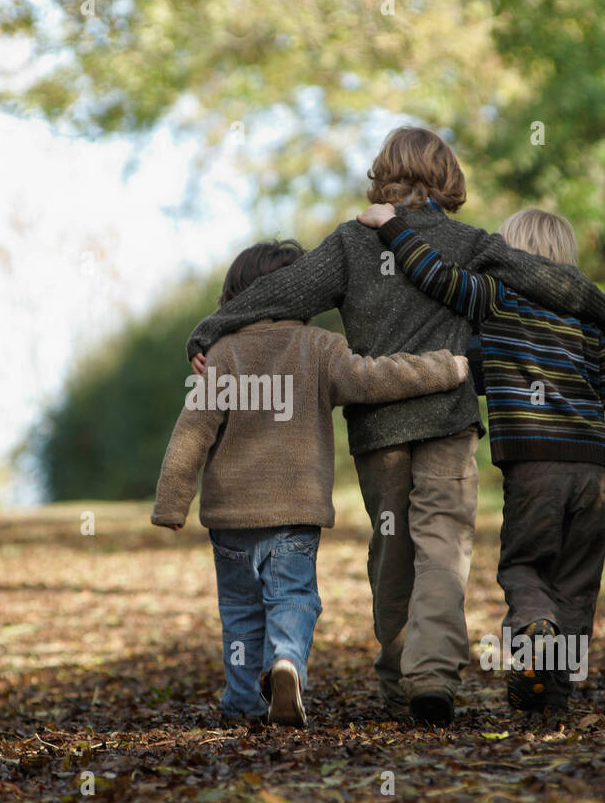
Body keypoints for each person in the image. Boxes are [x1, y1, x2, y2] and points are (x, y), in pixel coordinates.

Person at [185, 127, 605, 725]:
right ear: (446, 177)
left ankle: (398, 685)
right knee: (444, 551)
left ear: (383, 174)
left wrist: (209, 330)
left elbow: (280, 292)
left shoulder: (349, 245)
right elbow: (552, 281)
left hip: (379, 433)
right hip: (447, 424)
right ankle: (432, 677)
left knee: (393, 556)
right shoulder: (468, 242)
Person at [152, 239, 469, 727]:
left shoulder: (221, 355)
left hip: (230, 518)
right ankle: (286, 664)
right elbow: (373, 379)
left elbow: (192, 431)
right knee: (293, 597)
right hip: (294, 512)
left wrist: (172, 503)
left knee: (239, 612)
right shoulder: (319, 347)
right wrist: (444, 367)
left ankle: (241, 701)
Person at [357, 202, 605, 712]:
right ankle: (552, 691)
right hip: (595, 471)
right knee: (578, 583)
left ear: (508, 255)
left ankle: (534, 633)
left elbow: (438, 277)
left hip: (535, 465)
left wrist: (393, 227)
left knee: (524, 567)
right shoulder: (587, 323)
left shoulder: (497, 300)